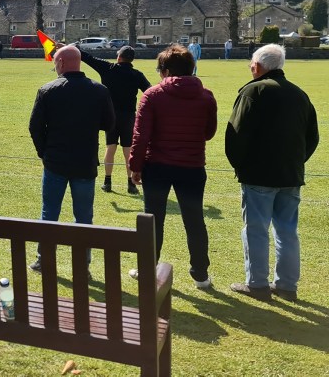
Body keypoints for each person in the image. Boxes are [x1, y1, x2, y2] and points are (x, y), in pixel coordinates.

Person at [226, 44, 319, 301]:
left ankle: (257, 284)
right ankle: (287, 286)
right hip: (290, 174)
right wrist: (297, 161)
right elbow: (312, 137)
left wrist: (241, 166)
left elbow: (236, 135)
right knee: (287, 231)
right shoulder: (300, 95)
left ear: (257, 66)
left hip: (258, 175)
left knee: (256, 229)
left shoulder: (253, 91)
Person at [128, 44, 218, 289]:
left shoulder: (153, 95)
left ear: (166, 70)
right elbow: (209, 132)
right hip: (192, 165)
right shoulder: (206, 95)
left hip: (157, 166)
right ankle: (200, 274)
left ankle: (147, 268)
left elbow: (140, 135)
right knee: (194, 219)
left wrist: (135, 166)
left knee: (153, 220)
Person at [28, 45, 114, 272]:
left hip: (55, 162)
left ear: (62, 63)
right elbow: (109, 124)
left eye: (55, 62)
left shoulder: (48, 90)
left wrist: (44, 153)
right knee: (84, 217)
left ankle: (43, 259)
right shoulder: (99, 90)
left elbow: (35, 127)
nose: (54, 66)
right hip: (85, 162)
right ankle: (82, 265)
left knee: (50, 213)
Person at [79, 45, 151, 194]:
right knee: (128, 150)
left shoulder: (108, 68)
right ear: (132, 60)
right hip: (129, 116)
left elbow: (88, 58)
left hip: (110, 115)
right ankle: (131, 184)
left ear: (119, 57)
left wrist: (67, 47)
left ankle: (107, 182)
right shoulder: (137, 74)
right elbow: (150, 91)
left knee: (110, 147)